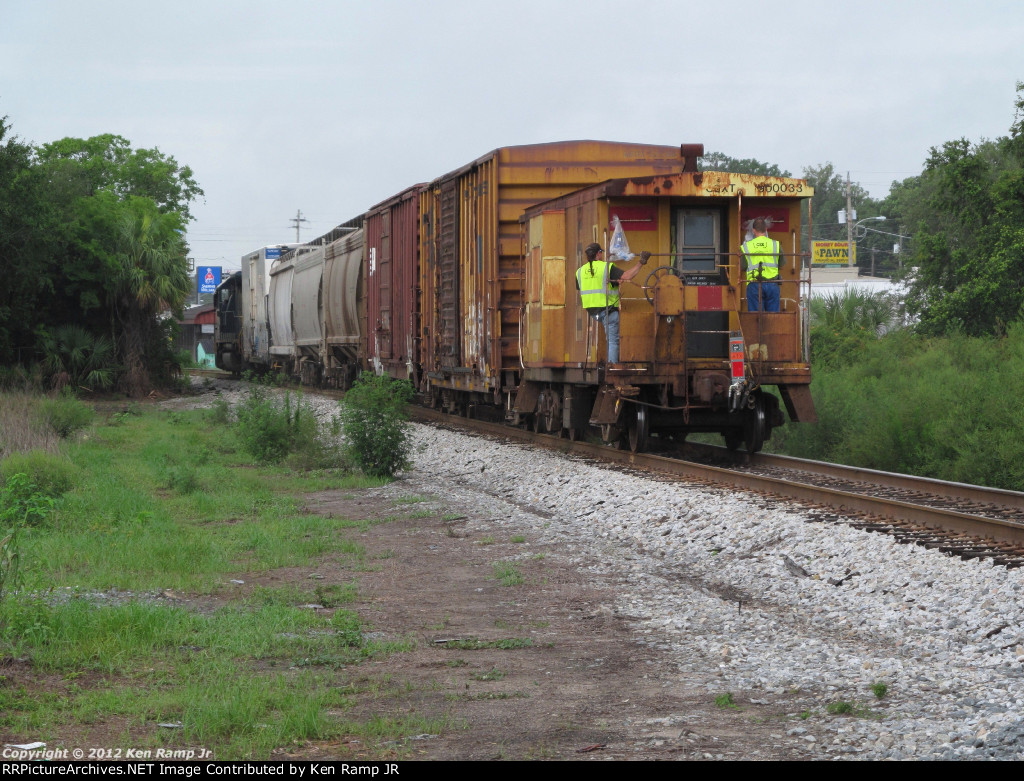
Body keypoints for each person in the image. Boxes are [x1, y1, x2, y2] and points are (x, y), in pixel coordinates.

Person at [575, 242, 650, 364]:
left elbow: (586, 287)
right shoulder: (606, 267)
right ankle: (612, 367)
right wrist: (641, 262)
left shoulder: (579, 272)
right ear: (599, 254)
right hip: (607, 310)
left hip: (593, 312)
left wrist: (613, 282)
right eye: (601, 253)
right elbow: (626, 276)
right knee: (613, 341)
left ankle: (611, 365)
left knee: (610, 339)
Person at [741, 218, 781, 312]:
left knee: (755, 318)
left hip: (754, 284)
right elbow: (781, 263)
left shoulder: (746, 246)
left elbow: (743, 266)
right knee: (773, 317)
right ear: (766, 229)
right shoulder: (776, 245)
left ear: (753, 230)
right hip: (772, 284)